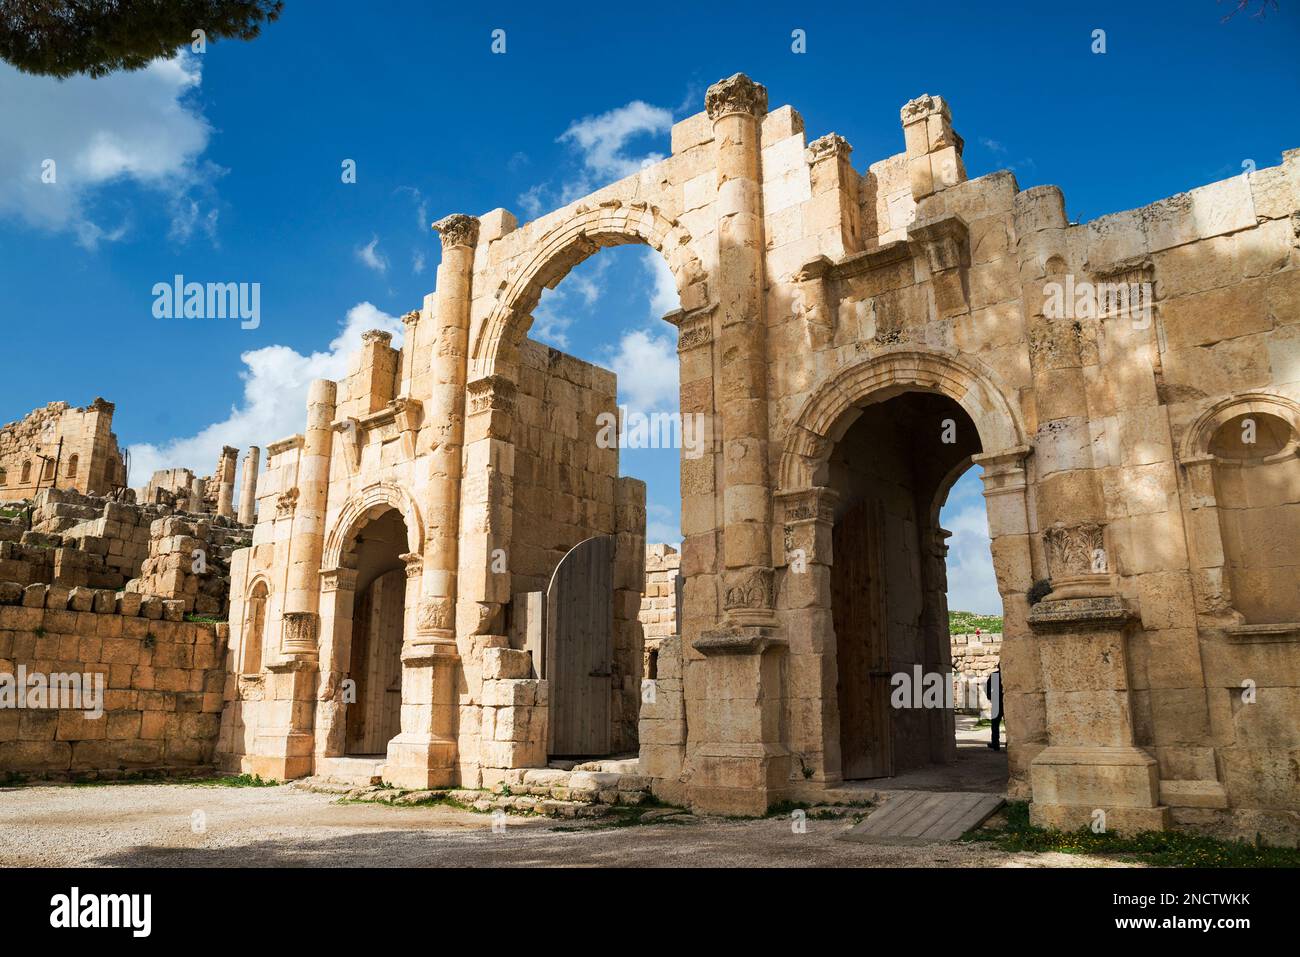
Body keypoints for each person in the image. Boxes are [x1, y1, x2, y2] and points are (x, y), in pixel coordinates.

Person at [985, 666, 1004, 751]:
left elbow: (987, 688)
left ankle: (995, 743)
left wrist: (990, 697)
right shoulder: (1007, 675)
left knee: (995, 724)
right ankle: (1009, 742)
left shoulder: (994, 675)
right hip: (1007, 701)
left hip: (996, 701)